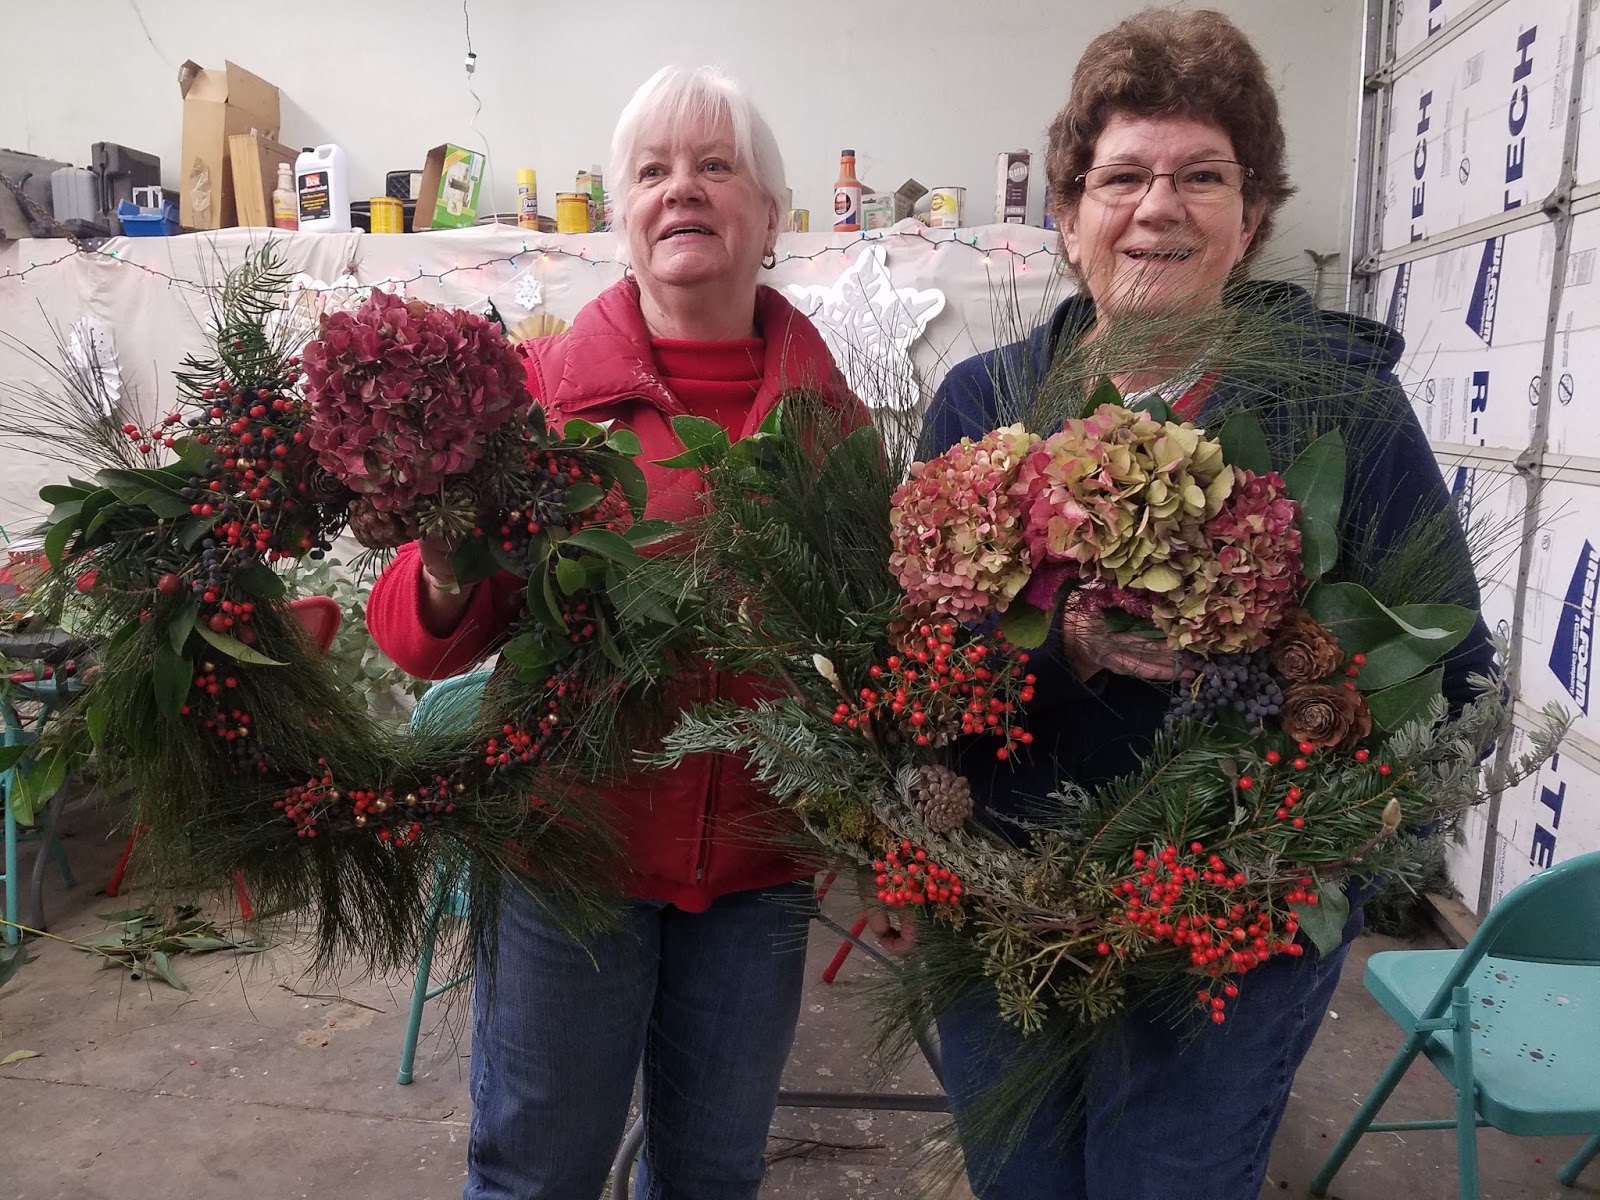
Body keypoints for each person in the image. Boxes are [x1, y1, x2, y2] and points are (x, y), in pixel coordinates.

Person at [880, 10, 1498, 1198]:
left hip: (1224, 943)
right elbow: (908, 663)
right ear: (1066, 217)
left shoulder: (1344, 412)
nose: (1158, 206)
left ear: (1251, 214)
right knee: (1019, 1180)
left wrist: (1311, 855)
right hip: (1003, 904)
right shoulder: (985, 401)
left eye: (1201, 176)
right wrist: (1056, 651)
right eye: (1121, 177)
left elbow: (1451, 670)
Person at [365, 66, 858, 1200]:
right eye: (652, 171)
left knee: (714, 1174)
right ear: (623, 217)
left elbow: (861, 650)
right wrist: (448, 556)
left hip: (757, 871)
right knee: (537, 1171)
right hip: (567, 860)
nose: (681, 190)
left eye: (715, 166)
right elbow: (419, 641)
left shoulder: (832, 426)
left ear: (770, 215)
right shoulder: (537, 401)